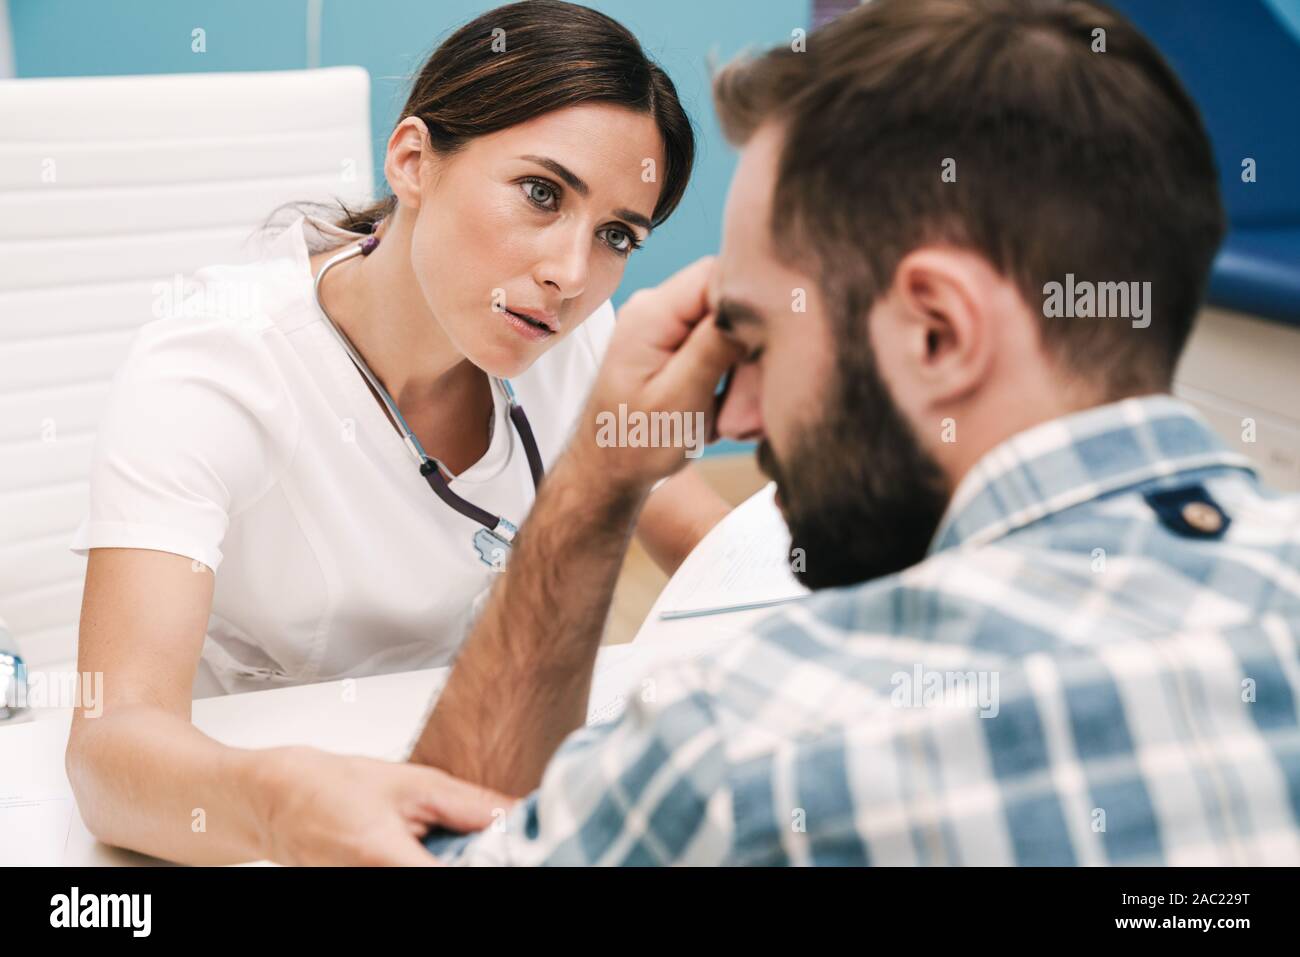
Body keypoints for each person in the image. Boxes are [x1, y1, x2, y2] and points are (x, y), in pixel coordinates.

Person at [405, 0, 1300, 865]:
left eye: (757, 338)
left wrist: (596, 482)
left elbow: (436, 845)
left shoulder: (750, 753)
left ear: (938, 331)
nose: (738, 415)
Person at [65, 0, 729, 865]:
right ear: (413, 160)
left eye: (614, 235)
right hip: (245, 804)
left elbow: (706, 540)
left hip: (463, 769)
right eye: (541, 193)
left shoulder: (565, 338)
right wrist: (278, 805)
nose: (568, 273)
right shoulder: (212, 369)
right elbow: (109, 749)